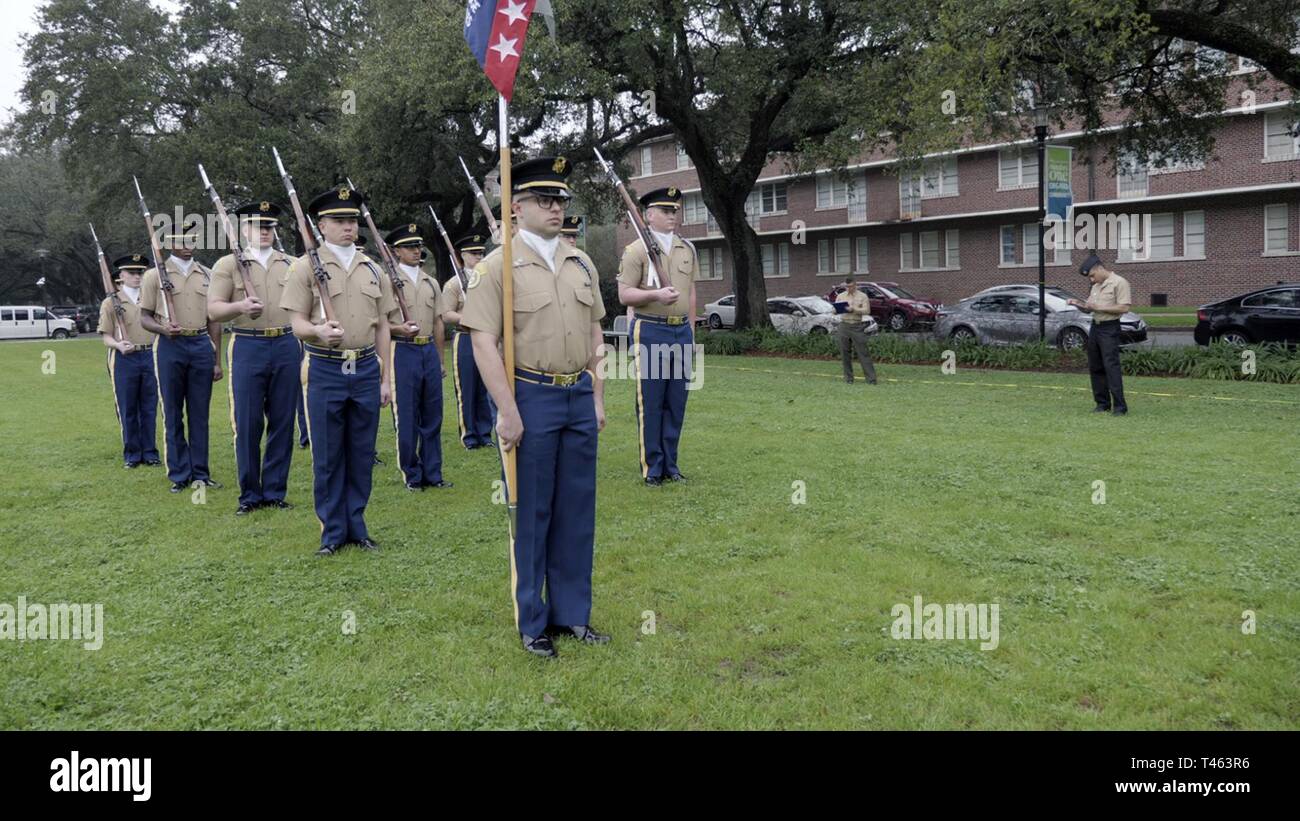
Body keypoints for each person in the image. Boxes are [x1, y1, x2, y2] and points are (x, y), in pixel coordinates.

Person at [459, 156, 609, 659]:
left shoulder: (581, 261)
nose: (556, 207)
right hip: (532, 396)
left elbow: (595, 333)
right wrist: (506, 408)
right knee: (532, 514)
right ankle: (533, 621)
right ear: (516, 207)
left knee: (576, 511)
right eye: (545, 199)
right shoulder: (496, 266)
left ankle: (573, 615)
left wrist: (598, 396)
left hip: (576, 395)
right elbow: (483, 340)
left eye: (561, 199)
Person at [280, 184, 404, 556]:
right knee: (329, 454)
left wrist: (385, 378)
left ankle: (357, 525)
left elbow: (383, 325)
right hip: (325, 368)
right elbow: (296, 324)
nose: (348, 227)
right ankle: (333, 531)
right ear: (321, 225)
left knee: (362, 451)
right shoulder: (304, 267)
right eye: (339, 220)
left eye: (351, 220)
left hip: (365, 367)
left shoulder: (373, 269)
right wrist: (317, 331)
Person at [208, 201, 299, 515]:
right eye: (258, 226)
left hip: (287, 344)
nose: (264, 231)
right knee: (247, 423)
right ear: (243, 230)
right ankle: (250, 494)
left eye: (269, 226)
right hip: (248, 345)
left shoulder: (292, 263)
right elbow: (214, 309)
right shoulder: (227, 264)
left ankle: (274, 491)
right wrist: (240, 308)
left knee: (283, 421)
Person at [617, 187, 697, 485]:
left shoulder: (687, 248)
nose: (671, 215)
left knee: (676, 401)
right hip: (650, 328)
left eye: (674, 210)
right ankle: (653, 467)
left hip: (681, 332)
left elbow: (690, 293)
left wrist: (690, 329)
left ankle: (671, 465)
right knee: (651, 401)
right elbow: (624, 294)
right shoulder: (636, 251)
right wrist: (655, 294)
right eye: (665, 211)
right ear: (648, 216)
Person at [138, 218, 223, 492]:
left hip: (200, 344)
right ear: (170, 243)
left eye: (192, 240)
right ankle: (179, 473)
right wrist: (163, 328)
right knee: (173, 412)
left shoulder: (208, 274)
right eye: (181, 241)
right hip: (170, 346)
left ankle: (200, 472)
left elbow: (214, 321)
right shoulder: (154, 276)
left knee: (199, 413)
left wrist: (217, 359)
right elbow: (144, 317)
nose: (188, 246)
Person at [384, 222, 451, 490]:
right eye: (409, 247)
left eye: (418, 246)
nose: (415, 251)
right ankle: (411, 473)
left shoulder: (430, 282)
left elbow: (438, 322)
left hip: (427, 351)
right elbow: (379, 323)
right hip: (402, 349)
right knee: (408, 415)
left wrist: (440, 359)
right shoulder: (389, 281)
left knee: (433, 414)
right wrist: (398, 329)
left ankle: (433, 473)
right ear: (397, 251)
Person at [100, 254, 160, 469]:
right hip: (124, 358)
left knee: (150, 406)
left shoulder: (152, 298)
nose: (137, 276)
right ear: (121, 276)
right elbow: (105, 334)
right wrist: (118, 345)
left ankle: (150, 452)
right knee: (127, 407)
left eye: (140, 272)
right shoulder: (111, 301)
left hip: (150, 355)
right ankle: (132, 454)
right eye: (132, 272)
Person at [440, 233, 494, 449]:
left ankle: (485, 433)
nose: (478, 256)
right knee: (467, 388)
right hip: (465, 338)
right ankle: (469, 435)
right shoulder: (454, 284)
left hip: (487, 337)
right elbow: (446, 314)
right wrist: (468, 318)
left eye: (481, 252)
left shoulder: (489, 279)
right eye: (474, 253)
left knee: (486, 386)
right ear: (462, 256)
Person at [1069, 253, 1131, 415]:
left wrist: (1098, 308)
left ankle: (1120, 407)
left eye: (1092, 276)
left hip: (1110, 328)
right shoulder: (1096, 286)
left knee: (1111, 367)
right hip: (1095, 328)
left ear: (1100, 268)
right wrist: (1078, 304)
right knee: (1095, 366)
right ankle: (1102, 404)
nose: (1091, 280)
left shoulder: (1120, 282)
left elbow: (1124, 308)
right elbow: (1091, 308)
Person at [833, 278, 878, 385]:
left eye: (851, 286)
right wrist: (836, 309)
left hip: (858, 326)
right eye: (847, 287)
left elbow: (867, 310)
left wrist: (854, 309)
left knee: (863, 353)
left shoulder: (862, 296)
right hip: (844, 325)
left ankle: (871, 379)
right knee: (845, 353)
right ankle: (848, 379)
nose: (848, 288)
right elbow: (834, 310)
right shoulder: (841, 296)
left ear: (855, 285)